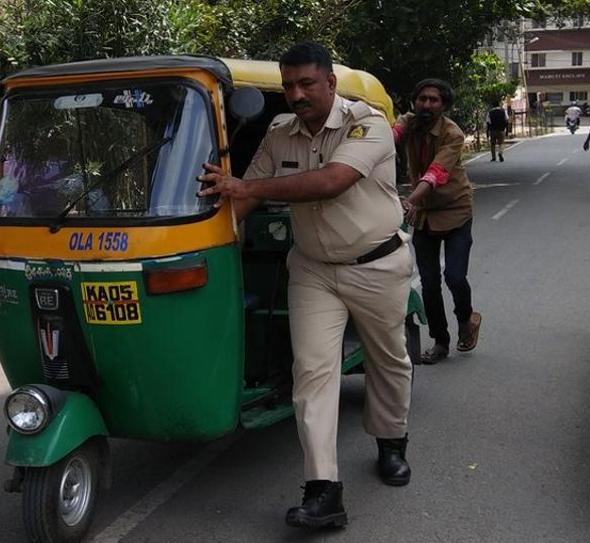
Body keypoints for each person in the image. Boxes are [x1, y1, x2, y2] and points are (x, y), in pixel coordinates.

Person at [197, 41, 414, 530]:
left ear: (330, 83)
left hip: (376, 264)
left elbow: (330, 181)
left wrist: (246, 189)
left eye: (307, 84)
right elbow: (244, 194)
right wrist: (197, 234)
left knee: (389, 361)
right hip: (313, 269)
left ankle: (391, 440)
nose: (296, 94)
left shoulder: (369, 124)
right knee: (312, 374)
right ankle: (323, 489)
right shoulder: (280, 132)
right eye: (289, 85)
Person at [393, 79, 482, 365]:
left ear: (443, 106)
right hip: (424, 216)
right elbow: (385, 140)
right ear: (414, 102)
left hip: (455, 210)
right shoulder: (406, 122)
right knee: (429, 282)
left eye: (434, 100)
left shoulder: (452, 133)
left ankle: (467, 319)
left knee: (454, 276)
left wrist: (410, 201)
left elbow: (436, 173)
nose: (427, 105)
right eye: (422, 99)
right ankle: (440, 341)